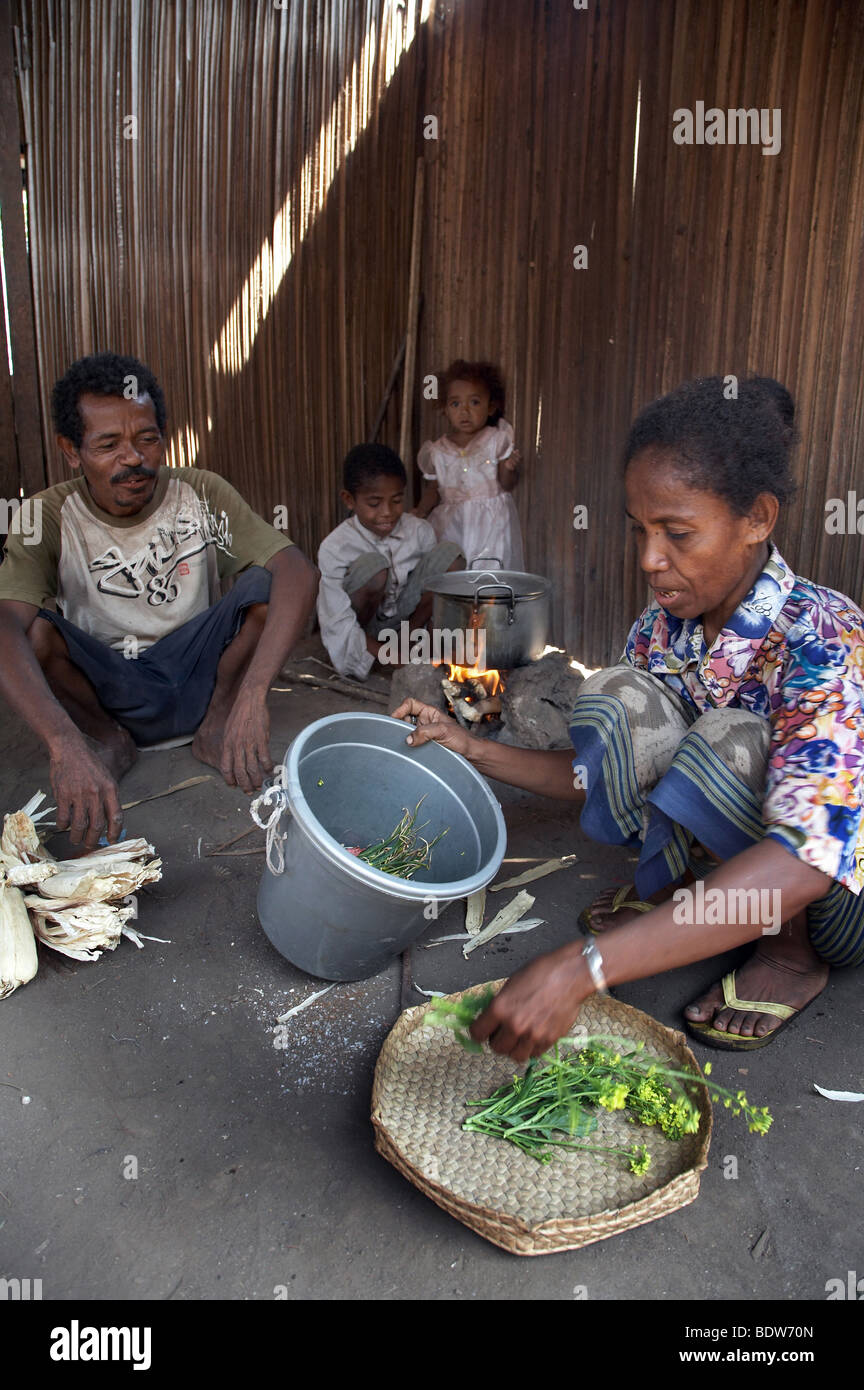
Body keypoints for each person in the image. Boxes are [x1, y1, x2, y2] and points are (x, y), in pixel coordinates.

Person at [394, 376, 864, 1061]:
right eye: (640, 530)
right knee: (616, 695)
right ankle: (675, 895)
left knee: (728, 738)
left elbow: (808, 861)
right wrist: (471, 746)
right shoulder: (662, 626)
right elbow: (594, 768)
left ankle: (788, 955)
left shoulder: (824, 636)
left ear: (758, 518)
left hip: (829, 904)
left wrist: (585, 967)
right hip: (739, 870)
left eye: (678, 533)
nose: (649, 558)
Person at [0, 352, 318, 847]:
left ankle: (217, 722)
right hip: (111, 687)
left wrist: (253, 695)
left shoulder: (200, 494)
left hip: (201, 677)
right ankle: (107, 739)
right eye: (108, 444)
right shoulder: (48, 515)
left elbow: (297, 570)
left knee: (265, 584)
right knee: (36, 632)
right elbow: (4, 623)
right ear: (71, 450)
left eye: (147, 439)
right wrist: (64, 743)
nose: (133, 458)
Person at [316, 443, 463, 680]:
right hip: (361, 628)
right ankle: (369, 655)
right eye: (374, 503)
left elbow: (431, 591)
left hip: (405, 626)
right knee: (376, 568)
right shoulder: (335, 547)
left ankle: (410, 641)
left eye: (396, 500)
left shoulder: (419, 531)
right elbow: (336, 618)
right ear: (349, 499)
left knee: (450, 555)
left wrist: (411, 641)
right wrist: (395, 659)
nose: (387, 512)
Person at [414, 360, 523, 570]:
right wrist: (420, 511)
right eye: (455, 404)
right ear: (445, 409)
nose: (464, 411)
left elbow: (507, 484)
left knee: (489, 572)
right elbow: (433, 489)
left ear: (490, 407)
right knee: (452, 569)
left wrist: (509, 468)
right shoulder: (437, 451)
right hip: (451, 524)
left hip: (490, 523)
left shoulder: (496, 440)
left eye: (474, 402)